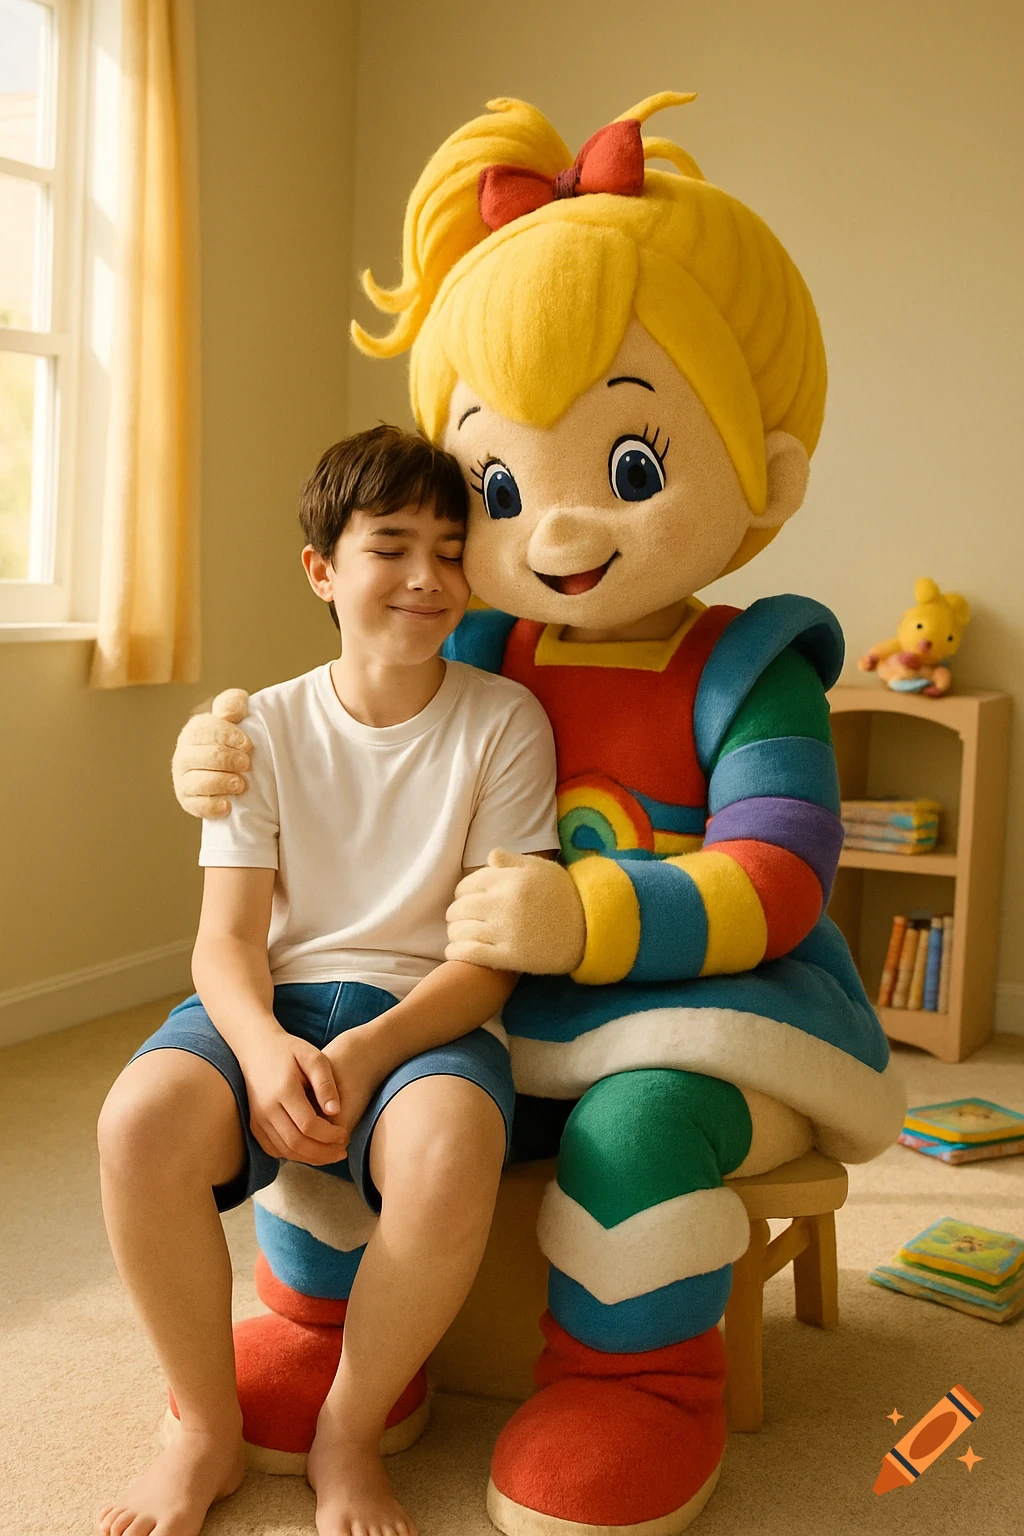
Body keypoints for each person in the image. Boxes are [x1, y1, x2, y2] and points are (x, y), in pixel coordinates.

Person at [168, 95, 907, 1536]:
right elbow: (343, 713)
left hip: (701, 1005)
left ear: (765, 469)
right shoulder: (480, 643)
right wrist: (214, 751)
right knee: (347, 1072)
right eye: (500, 488)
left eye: (632, 471)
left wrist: (587, 914)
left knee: (634, 1131)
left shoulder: (749, 667)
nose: (553, 532)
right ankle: (334, 1336)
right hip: (492, 1000)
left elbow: (783, 872)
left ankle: (641, 1386)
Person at [95, 424, 559, 1536]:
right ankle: (205, 1430)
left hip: (426, 1018)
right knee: (137, 1122)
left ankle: (347, 1436)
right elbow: (225, 941)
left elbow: (488, 960)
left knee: (449, 1151)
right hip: (273, 1001)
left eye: (450, 551)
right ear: (322, 570)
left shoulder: (504, 722)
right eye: (390, 547)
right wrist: (263, 1052)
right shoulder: (258, 727)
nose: (425, 577)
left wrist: (367, 1048)